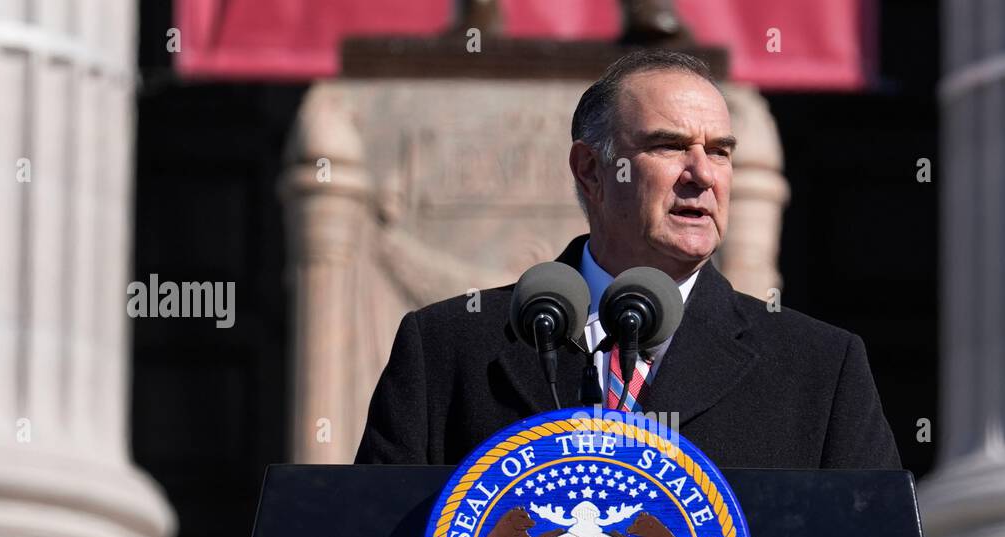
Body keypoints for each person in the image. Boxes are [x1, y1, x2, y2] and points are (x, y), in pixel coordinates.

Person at [354, 49, 900, 473]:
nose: (703, 174)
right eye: (668, 146)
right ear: (591, 170)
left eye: (719, 151)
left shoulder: (819, 369)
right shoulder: (448, 349)